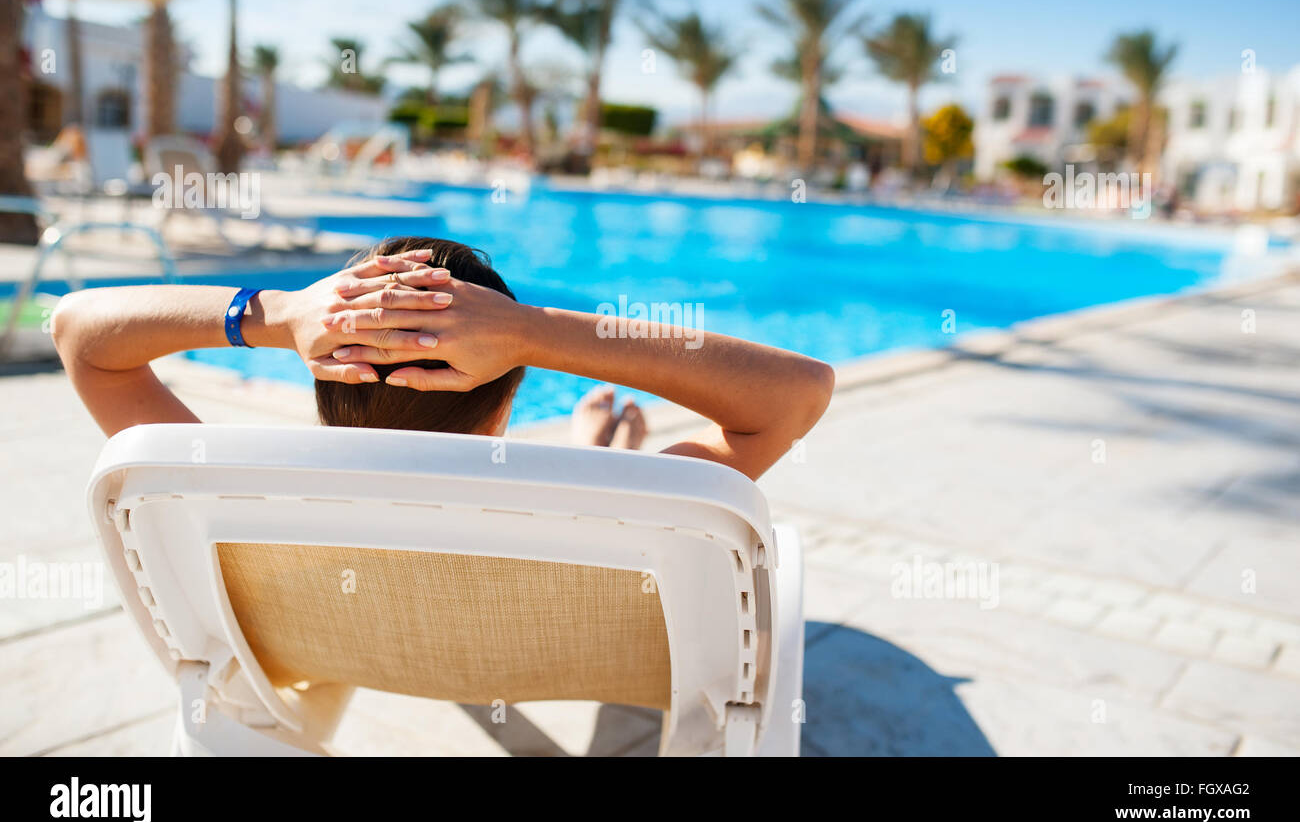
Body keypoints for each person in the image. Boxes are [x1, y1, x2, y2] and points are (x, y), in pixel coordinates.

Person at [52, 236, 834, 481]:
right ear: (503, 404)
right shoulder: (616, 519)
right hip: (551, 645)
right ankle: (593, 441)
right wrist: (532, 329)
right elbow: (798, 393)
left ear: (324, 371)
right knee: (602, 462)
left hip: (332, 641)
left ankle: (592, 439)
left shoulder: (242, 495)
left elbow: (79, 330)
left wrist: (279, 312)